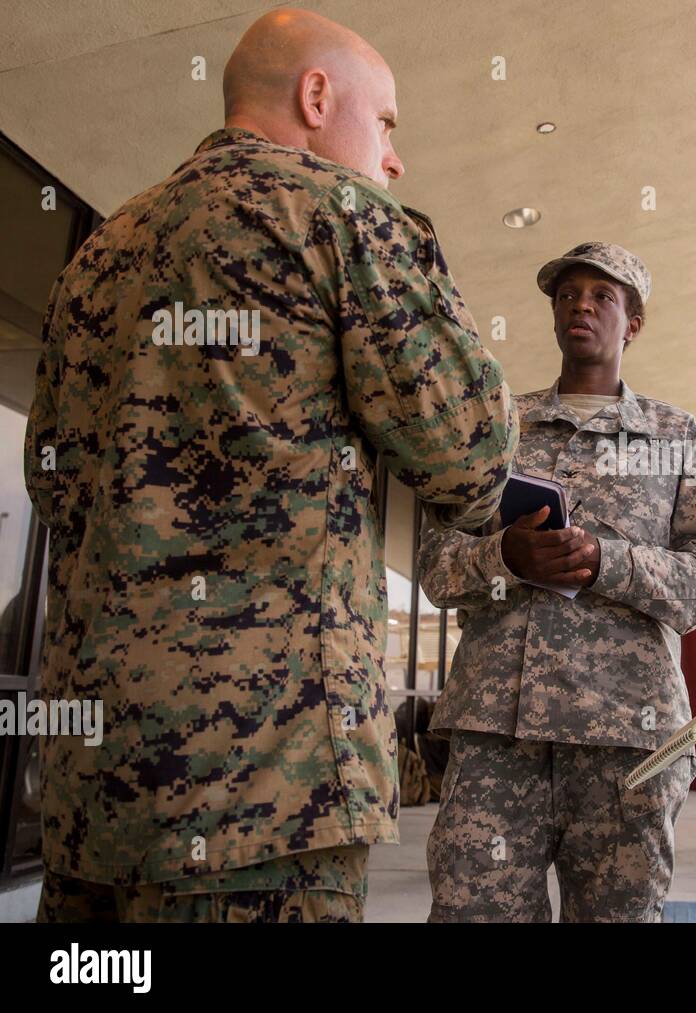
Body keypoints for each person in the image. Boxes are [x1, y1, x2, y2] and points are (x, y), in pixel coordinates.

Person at [23, 9, 516, 923]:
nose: (394, 159)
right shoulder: (342, 215)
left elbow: (53, 484)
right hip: (268, 800)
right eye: (389, 125)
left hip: (96, 794)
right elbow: (471, 457)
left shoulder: (97, 256)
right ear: (316, 95)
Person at [420, 242, 696, 922]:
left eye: (603, 296)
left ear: (632, 323)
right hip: (494, 734)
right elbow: (437, 565)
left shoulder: (674, 435)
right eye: (568, 295)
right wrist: (505, 557)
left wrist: (607, 562)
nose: (582, 306)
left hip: (628, 735)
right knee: (473, 912)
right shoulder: (498, 429)